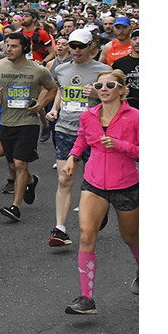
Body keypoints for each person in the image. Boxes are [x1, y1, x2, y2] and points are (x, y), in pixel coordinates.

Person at [61, 68, 139, 314]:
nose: (103, 90)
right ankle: (86, 298)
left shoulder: (136, 118)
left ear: (122, 90)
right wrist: (73, 157)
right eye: (99, 86)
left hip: (126, 184)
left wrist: (120, 145)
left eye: (110, 86)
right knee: (86, 235)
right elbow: (82, 139)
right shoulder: (89, 116)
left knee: (130, 237)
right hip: (93, 183)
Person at [0, 35, 56, 224]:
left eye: (14, 46)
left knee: (20, 163)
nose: (9, 49)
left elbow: (53, 88)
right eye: (8, 46)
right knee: (14, 164)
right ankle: (31, 181)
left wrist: (41, 104)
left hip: (28, 123)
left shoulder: (38, 70)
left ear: (24, 48)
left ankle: (15, 206)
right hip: (7, 121)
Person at [46, 28, 108, 248]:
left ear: (91, 46)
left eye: (81, 46)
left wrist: (98, 94)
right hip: (65, 129)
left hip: (93, 133)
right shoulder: (61, 69)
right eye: (73, 46)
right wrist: (54, 109)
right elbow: (61, 90)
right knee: (64, 179)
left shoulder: (103, 71)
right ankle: (60, 229)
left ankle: (100, 209)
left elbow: (115, 101)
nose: (76, 50)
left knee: (94, 182)